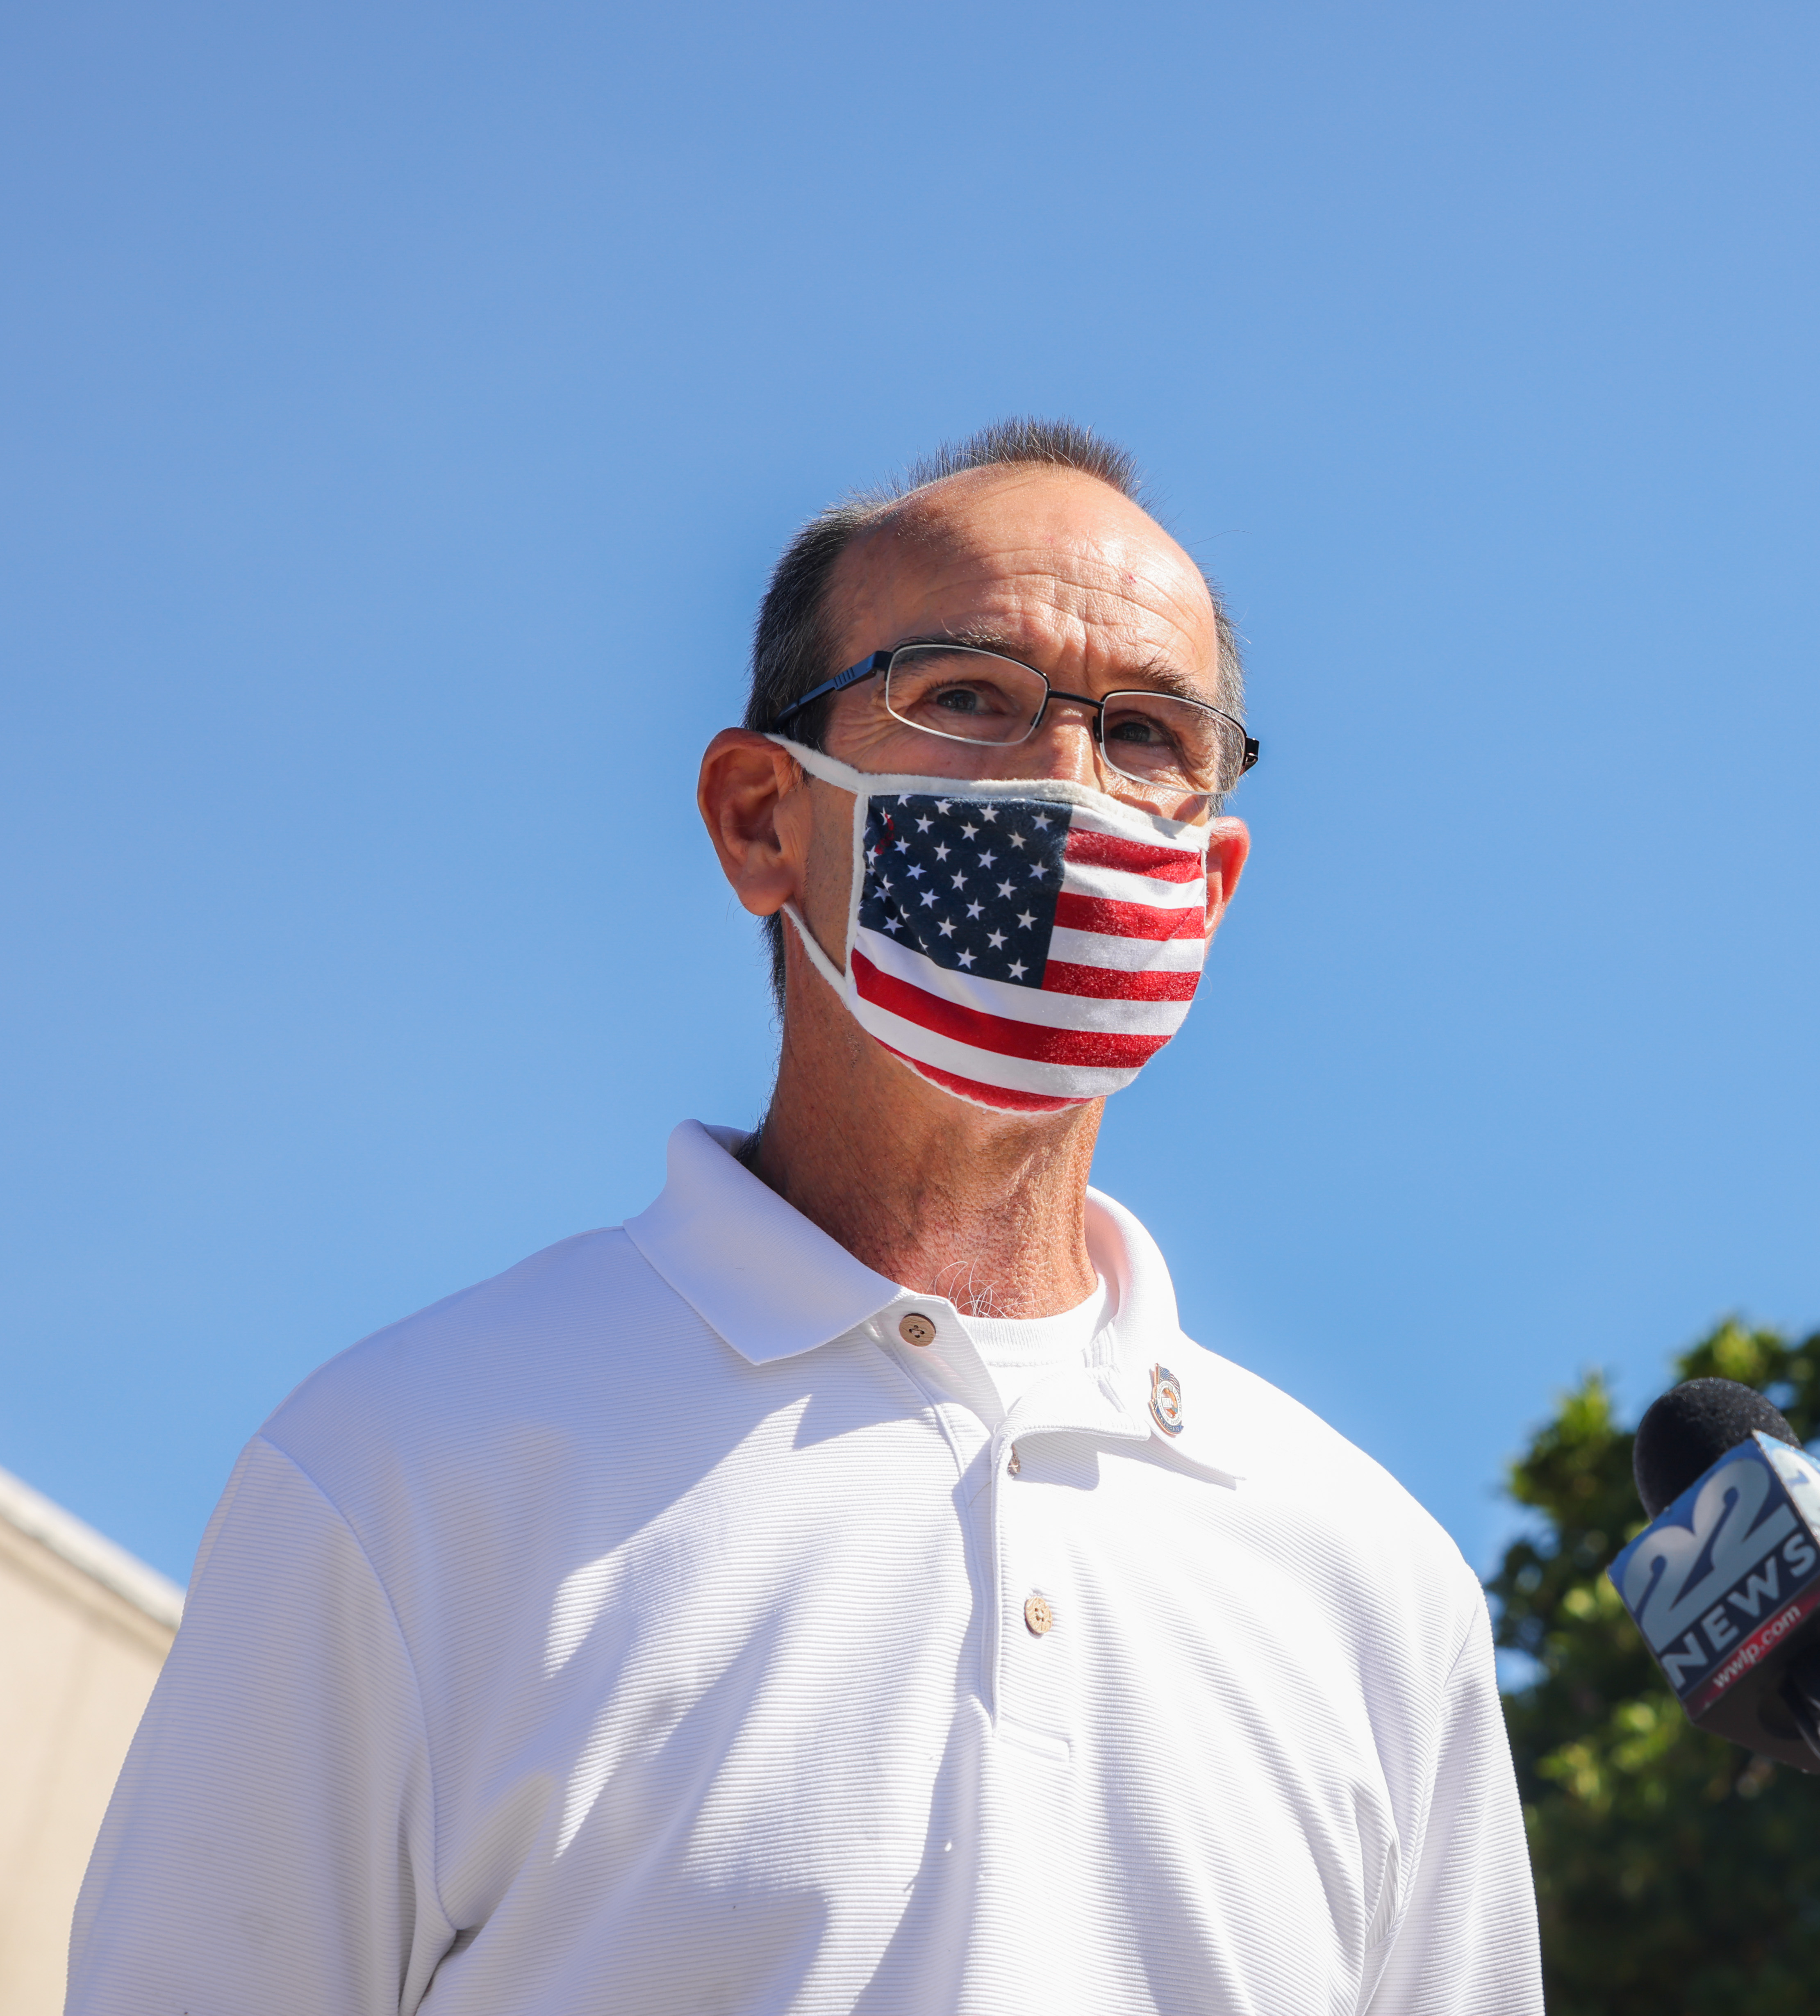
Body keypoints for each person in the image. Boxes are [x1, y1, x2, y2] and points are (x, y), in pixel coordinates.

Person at [69, 421, 1541, 2015]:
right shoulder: (407, 1469)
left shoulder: (1371, 1581)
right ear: (761, 817)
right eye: (967, 696)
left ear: (1214, 882)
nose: (1066, 784)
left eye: (1146, 737)